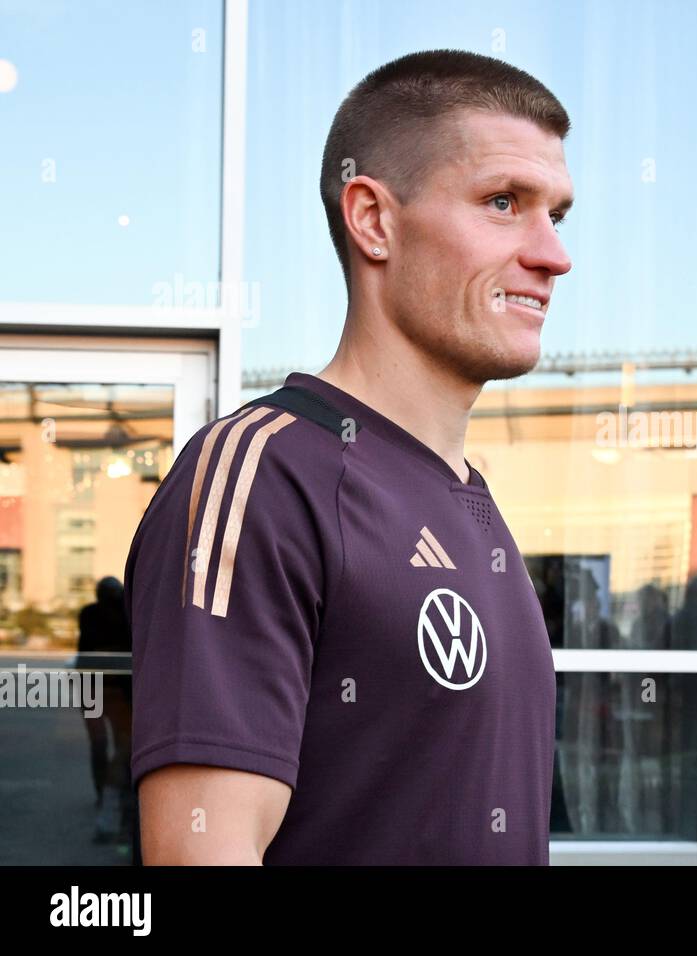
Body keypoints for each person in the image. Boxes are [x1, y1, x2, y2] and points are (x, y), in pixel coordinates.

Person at [126, 50, 573, 864]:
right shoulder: (264, 476)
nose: (553, 255)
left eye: (558, 216)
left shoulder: (472, 503)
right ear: (373, 219)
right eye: (504, 203)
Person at [76, 576, 133, 843]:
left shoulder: (105, 614)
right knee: (108, 747)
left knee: (114, 748)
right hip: (102, 690)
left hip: (109, 691)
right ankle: (108, 797)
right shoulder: (98, 615)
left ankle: (110, 797)